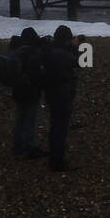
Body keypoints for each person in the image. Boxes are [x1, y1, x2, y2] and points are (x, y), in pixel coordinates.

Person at [43, 25, 80, 172]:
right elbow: (83, 62)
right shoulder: (61, 54)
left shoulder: (50, 49)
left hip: (51, 93)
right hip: (62, 94)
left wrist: (70, 46)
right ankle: (57, 161)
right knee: (61, 128)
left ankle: (54, 157)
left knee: (54, 126)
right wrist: (79, 46)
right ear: (66, 40)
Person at [10, 27, 46, 159]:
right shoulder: (31, 54)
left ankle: (17, 145)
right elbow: (37, 73)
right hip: (30, 91)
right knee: (30, 120)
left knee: (20, 119)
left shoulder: (16, 50)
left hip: (18, 90)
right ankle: (29, 147)